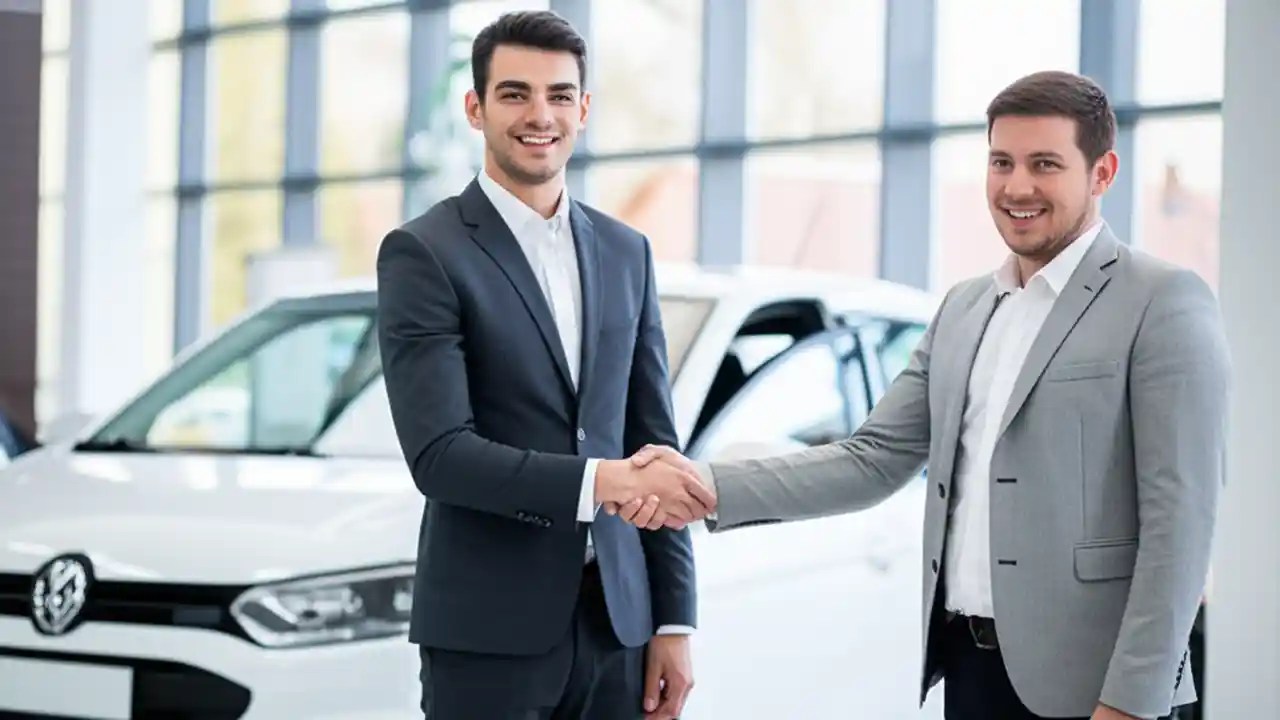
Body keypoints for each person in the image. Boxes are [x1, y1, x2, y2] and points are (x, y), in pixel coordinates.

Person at [619, 71, 1229, 720]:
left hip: (1096, 687)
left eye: (1045, 164)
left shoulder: (1161, 300)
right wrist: (707, 484)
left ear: (1102, 172)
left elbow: (1181, 521)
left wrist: (1131, 701)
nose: (1017, 186)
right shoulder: (965, 307)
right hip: (970, 669)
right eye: (1002, 162)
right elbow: (872, 458)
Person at [376, 10, 714, 719]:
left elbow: (654, 438)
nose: (541, 115)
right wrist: (604, 481)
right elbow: (441, 455)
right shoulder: (426, 253)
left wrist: (673, 620)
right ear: (475, 108)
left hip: (618, 626)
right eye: (515, 94)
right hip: (487, 635)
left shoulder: (627, 253)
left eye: (560, 95)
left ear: (583, 110)